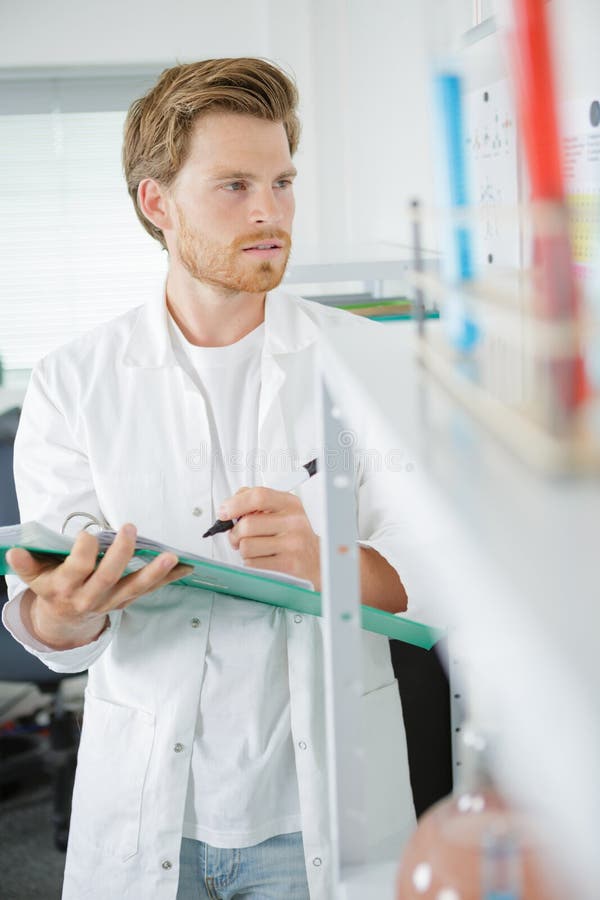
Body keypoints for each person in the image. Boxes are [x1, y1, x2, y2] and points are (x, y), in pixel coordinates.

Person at [2, 58, 416, 900]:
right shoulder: (73, 381)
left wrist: (326, 555)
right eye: (234, 185)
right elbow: (53, 611)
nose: (271, 212)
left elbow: (431, 571)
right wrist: (61, 611)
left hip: (322, 806)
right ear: (158, 202)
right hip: (153, 805)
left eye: (282, 181)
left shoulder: (368, 363)